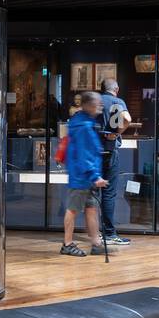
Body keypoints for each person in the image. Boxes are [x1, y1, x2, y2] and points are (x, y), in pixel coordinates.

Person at [61, 90, 109, 257]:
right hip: (81, 177)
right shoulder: (84, 127)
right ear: (89, 105)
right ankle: (67, 244)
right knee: (73, 209)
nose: (101, 106)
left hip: (84, 176)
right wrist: (94, 176)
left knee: (91, 208)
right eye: (98, 104)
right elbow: (85, 155)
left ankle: (96, 243)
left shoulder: (84, 122)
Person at [95, 78, 132, 246]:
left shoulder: (95, 101)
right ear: (116, 89)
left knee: (93, 194)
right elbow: (127, 118)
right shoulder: (117, 101)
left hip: (93, 150)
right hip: (109, 150)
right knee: (109, 193)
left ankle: (95, 233)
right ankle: (109, 234)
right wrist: (117, 133)